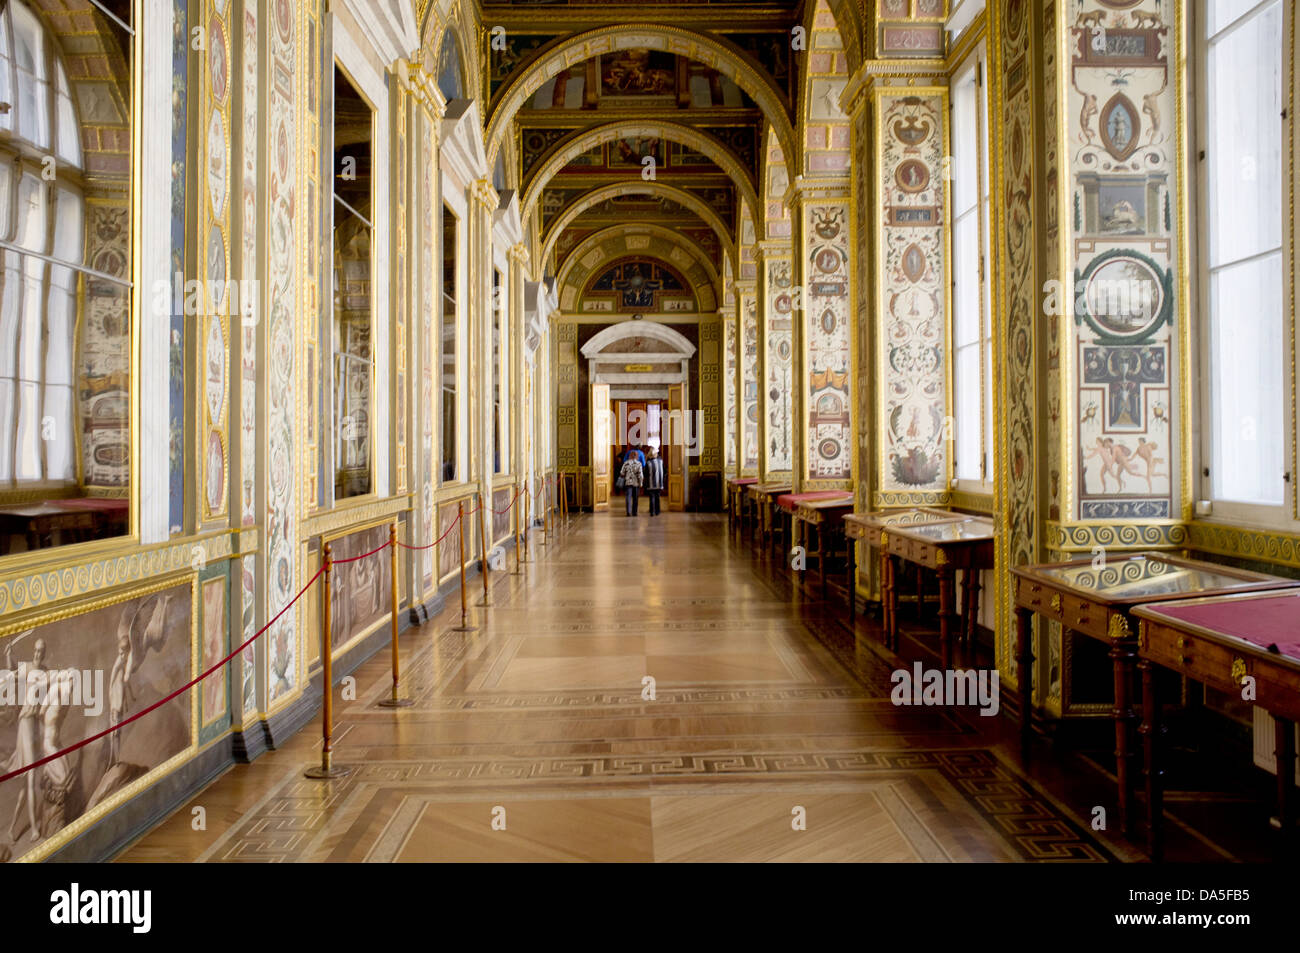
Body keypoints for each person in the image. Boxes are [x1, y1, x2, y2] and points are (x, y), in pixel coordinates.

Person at [619, 449, 643, 516]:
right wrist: (640, 484)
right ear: (637, 456)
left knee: (628, 497)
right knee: (635, 498)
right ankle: (634, 512)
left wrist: (626, 475)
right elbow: (640, 475)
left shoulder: (626, 463)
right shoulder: (639, 464)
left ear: (630, 455)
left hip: (628, 483)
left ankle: (628, 512)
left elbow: (621, 473)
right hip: (636, 483)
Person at [644, 445, 665, 516]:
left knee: (652, 498)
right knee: (657, 498)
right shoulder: (661, 461)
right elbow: (664, 471)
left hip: (651, 483)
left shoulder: (648, 463)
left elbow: (645, 473)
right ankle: (657, 511)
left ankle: (652, 511)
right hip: (659, 483)